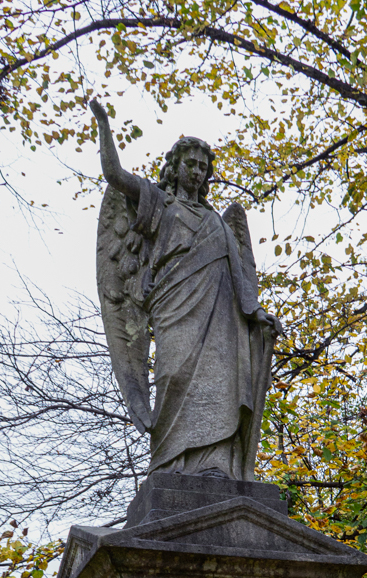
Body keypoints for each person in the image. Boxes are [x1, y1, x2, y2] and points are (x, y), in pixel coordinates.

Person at [90, 98, 279, 479]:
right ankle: (169, 464)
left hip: (221, 317)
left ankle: (214, 465)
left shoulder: (219, 221)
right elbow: (114, 174)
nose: (197, 171)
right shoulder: (159, 202)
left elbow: (240, 275)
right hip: (174, 307)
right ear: (175, 168)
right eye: (190, 164)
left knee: (220, 383)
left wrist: (255, 311)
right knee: (174, 377)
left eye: (203, 167)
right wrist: (104, 125)